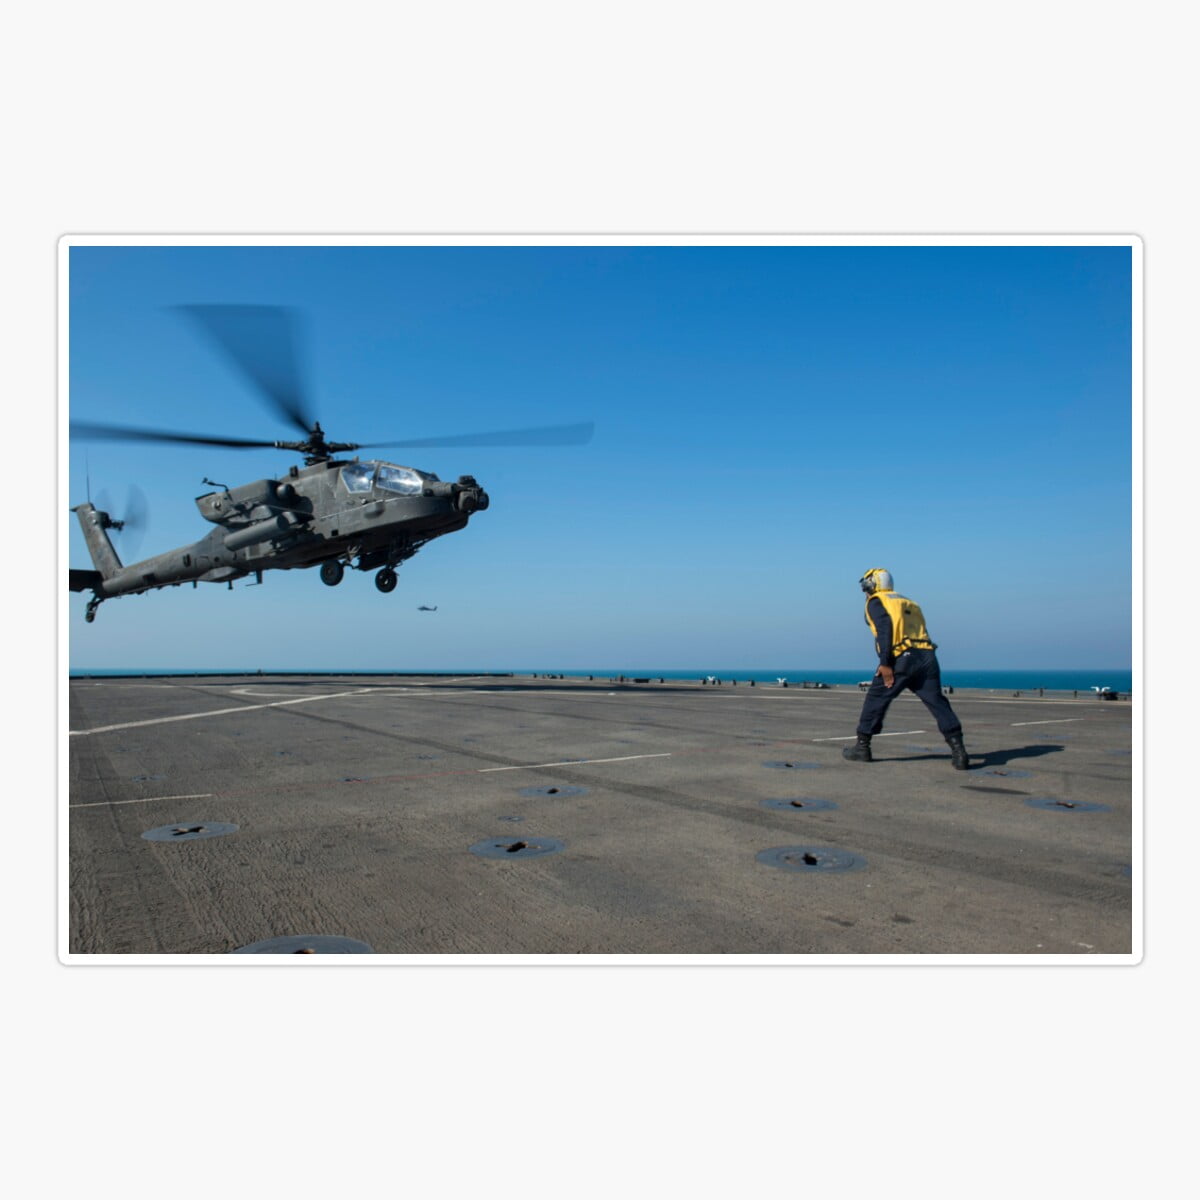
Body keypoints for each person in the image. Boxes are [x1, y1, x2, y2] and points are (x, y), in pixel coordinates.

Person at [843, 568, 970, 770]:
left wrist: (885, 663)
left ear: (872, 585)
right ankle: (959, 751)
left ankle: (862, 747)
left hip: (901, 658)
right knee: (937, 702)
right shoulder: (909, 602)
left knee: (876, 699)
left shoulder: (877, 601)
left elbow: (885, 630)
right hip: (927, 656)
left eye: (865, 585)